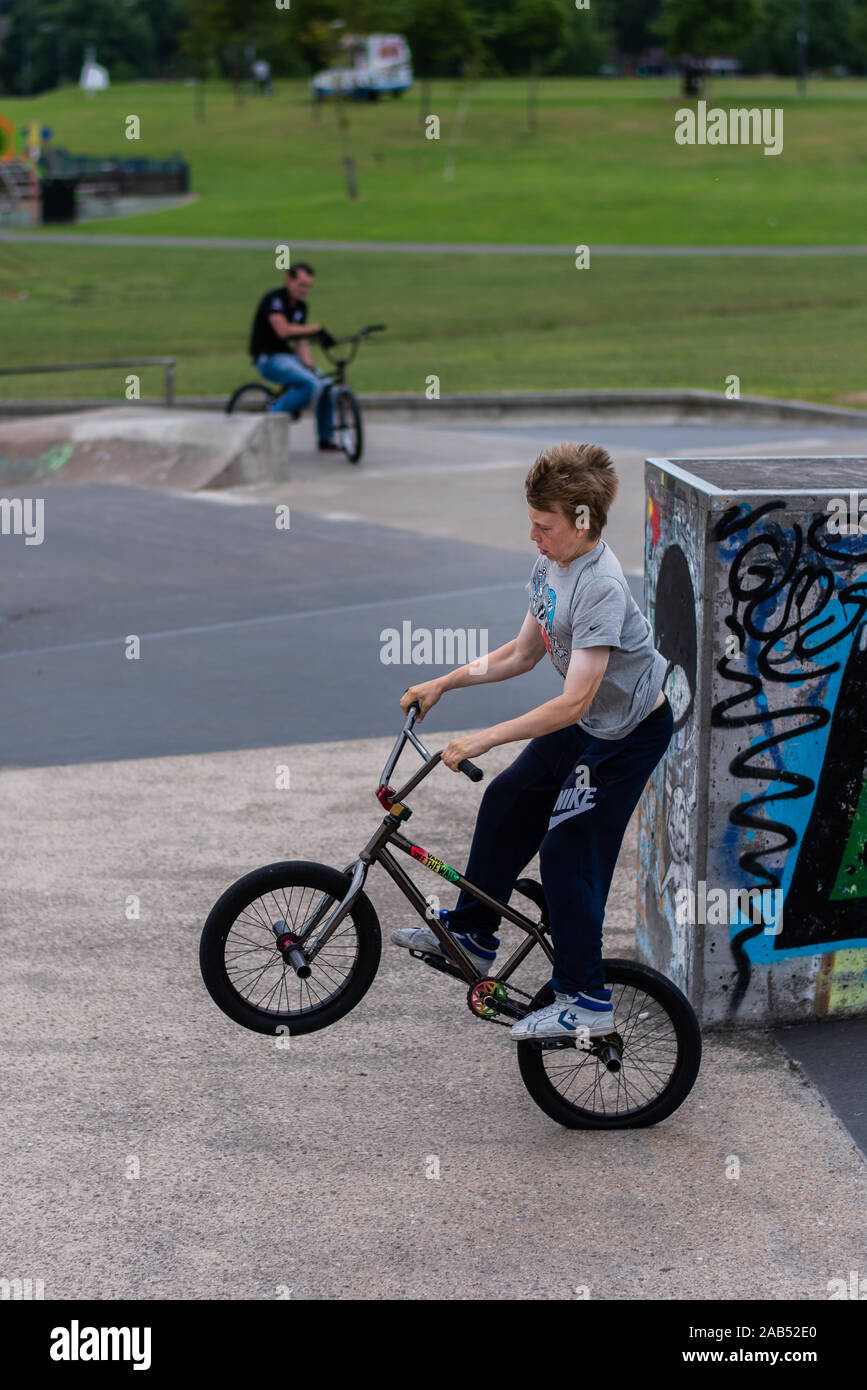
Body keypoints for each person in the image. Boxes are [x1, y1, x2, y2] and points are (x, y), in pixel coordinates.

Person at [393, 442, 674, 1041]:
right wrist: (445, 681)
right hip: (589, 721)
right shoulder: (552, 565)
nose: (532, 535)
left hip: (625, 735)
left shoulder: (601, 586)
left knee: (569, 849)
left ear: (580, 522)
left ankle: (587, 1000)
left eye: (543, 526)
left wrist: (484, 737)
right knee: (507, 800)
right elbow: (523, 653)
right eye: (531, 522)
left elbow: (573, 702)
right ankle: (472, 935)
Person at [248, 262, 340, 452]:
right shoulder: (275, 300)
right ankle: (268, 428)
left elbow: (301, 340)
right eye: (301, 285)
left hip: (289, 358)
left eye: (308, 286)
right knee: (310, 385)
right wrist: (316, 329)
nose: (305, 290)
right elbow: (282, 331)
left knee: (326, 386)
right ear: (289, 280)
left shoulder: (301, 306)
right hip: (269, 358)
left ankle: (326, 438)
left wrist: (310, 366)